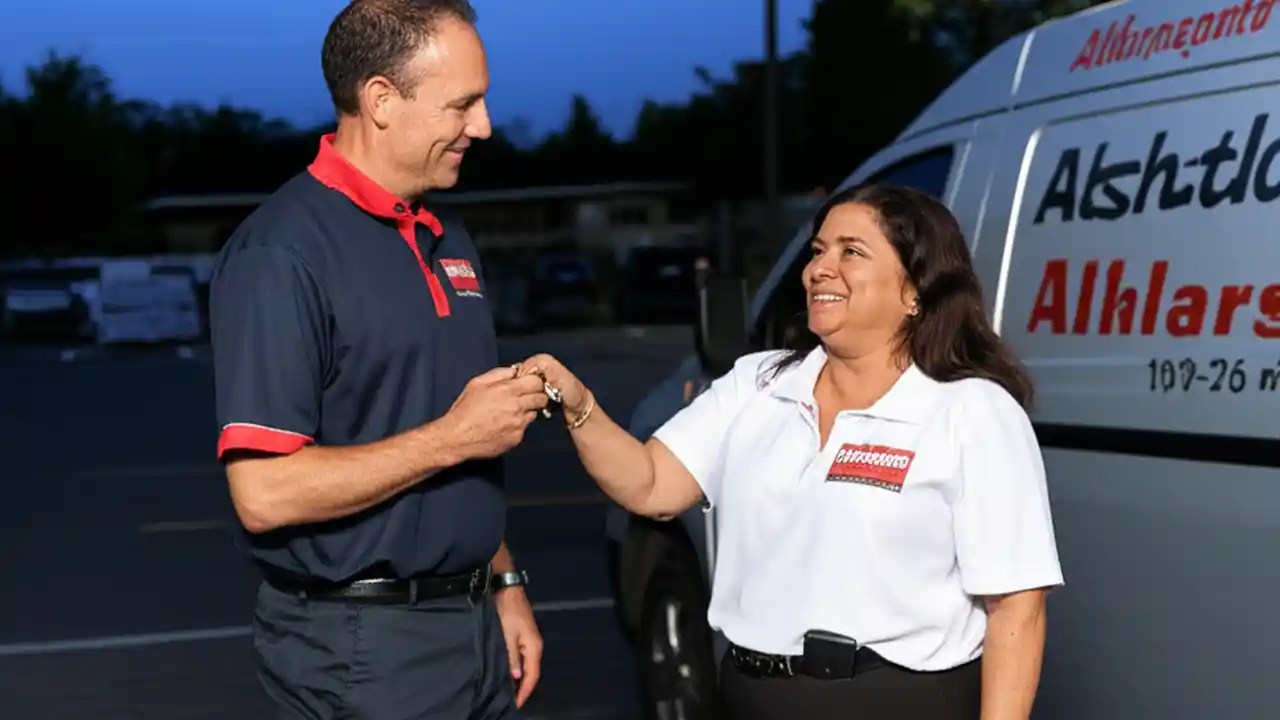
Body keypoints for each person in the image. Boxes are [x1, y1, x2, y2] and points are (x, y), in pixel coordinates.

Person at [518, 183, 1065, 719]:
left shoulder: (970, 411)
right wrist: (579, 403)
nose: (819, 269)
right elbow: (651, 484)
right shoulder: (758, 383)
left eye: (851, 252)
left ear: (915, 289)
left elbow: (1018, 608)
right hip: (748, 695)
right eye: (818, 251)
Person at [208, 2, 546, 718]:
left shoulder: (445, 233)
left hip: (473, 625)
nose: (482, 126)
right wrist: (456, 436)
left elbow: (453, 433)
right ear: (381, 100)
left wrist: (504, 583)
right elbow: (264, 494)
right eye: (463, 104)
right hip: (363, 648)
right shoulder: (283, 253)